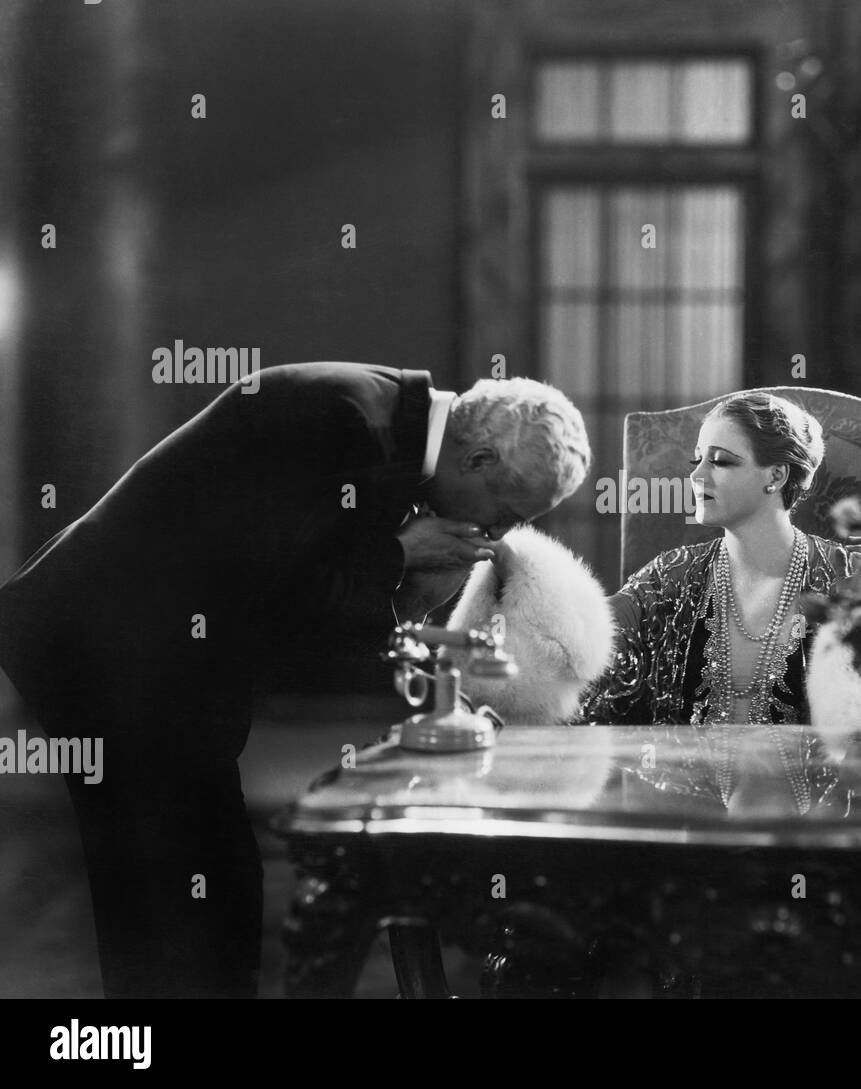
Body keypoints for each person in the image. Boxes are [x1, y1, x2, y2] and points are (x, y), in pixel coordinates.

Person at [0, 361, 590, 997]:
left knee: (211, 884)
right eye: (503, 515)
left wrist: (408, 589)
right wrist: (399, 555)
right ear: (475, 459)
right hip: (107, 649)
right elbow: (269, 578)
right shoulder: (343, 417)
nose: (496, 533)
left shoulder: (390, 423)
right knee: (167, 897)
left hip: (160, 661)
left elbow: (315, 603)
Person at [578, 390, 861, 813]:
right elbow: (583, 639)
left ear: (777, 476)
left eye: (722, 461)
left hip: (816, 828)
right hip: (681, 823)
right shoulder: (668, 579)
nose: (697, 477)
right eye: (698, 460)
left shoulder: (849, 578)